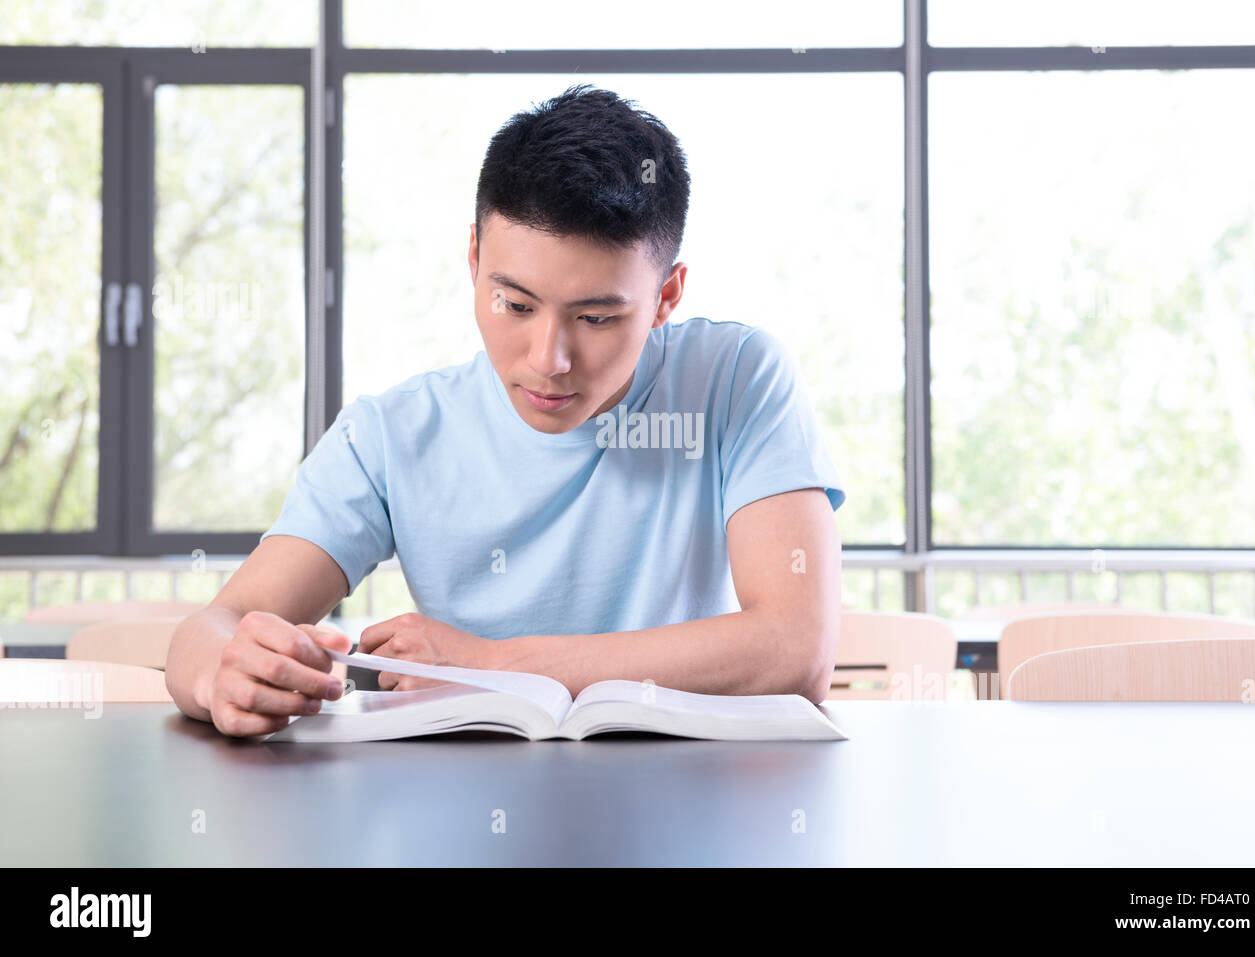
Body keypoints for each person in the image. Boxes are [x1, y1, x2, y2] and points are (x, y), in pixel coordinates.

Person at [166, 84, 845, 738]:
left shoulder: (737, 380)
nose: (549, 357)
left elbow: (795, 647)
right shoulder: (391, 435)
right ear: (473, 258)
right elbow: (211, 629)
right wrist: (224, 674)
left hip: (690, 822)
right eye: (516, 305)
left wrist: (492, 666)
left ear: (668, 295)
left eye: (597, 316)